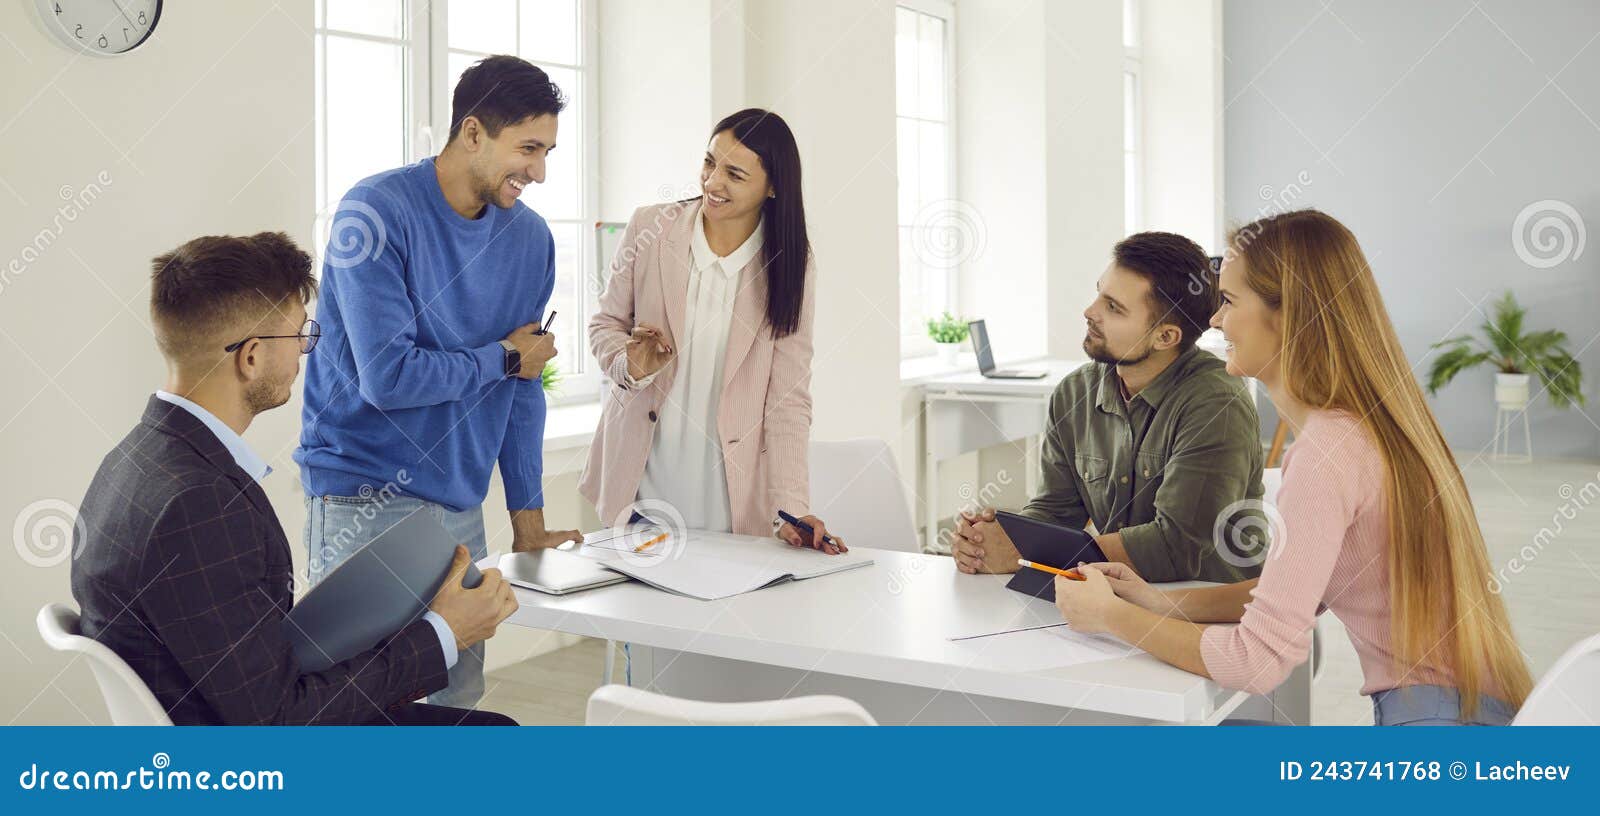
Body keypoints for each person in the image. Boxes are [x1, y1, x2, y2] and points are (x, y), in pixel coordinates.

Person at [1055, 209, 1533, 725]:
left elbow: (1254, 662)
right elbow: (1298, 594)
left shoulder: (1326, 453)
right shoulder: (1365, 427)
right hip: (1476, 716)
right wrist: (1156, 601)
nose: (1214, 321)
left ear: (1287, 316)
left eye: (1229, 302)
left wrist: (1112, 616)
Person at [71, 233, 518, 725]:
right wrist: (444, 634)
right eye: (300, 336)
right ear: (253, 356)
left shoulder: (132, 458)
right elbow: (280, 720)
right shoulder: (201, 504)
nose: (305, 353)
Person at [294, 55, 582, 710]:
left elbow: (522, 387)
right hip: (364, 503)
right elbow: (388, 378)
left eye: (548, 152)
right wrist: (504, 358)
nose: (539, 171)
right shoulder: (375, 212)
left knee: (455, 706)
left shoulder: (531, 240)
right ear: (473, 133)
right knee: (360, 712)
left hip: (459, 509)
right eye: (529, 148)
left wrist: (527, 521)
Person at [581, 109, 842, 551]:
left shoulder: (791, 267)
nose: (712, 182)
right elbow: (605, 324)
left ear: (773, 186)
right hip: (640, 496)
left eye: (735, 174)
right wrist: (630, 362)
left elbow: (787, 399)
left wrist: (791, 506)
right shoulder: (650, 227)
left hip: (731, 508)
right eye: (709, 162)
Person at [952, 232, 1265, 583]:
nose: (1090, 311)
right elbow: (1057, 511)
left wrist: (1026, 552)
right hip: (1116, 597)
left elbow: (1177, 547)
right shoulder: (1075, 392)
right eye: (1099, 293)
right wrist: (995, 539)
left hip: (1210, 606)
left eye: (1113, 307)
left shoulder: (1216, 404)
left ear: (1165, 337)